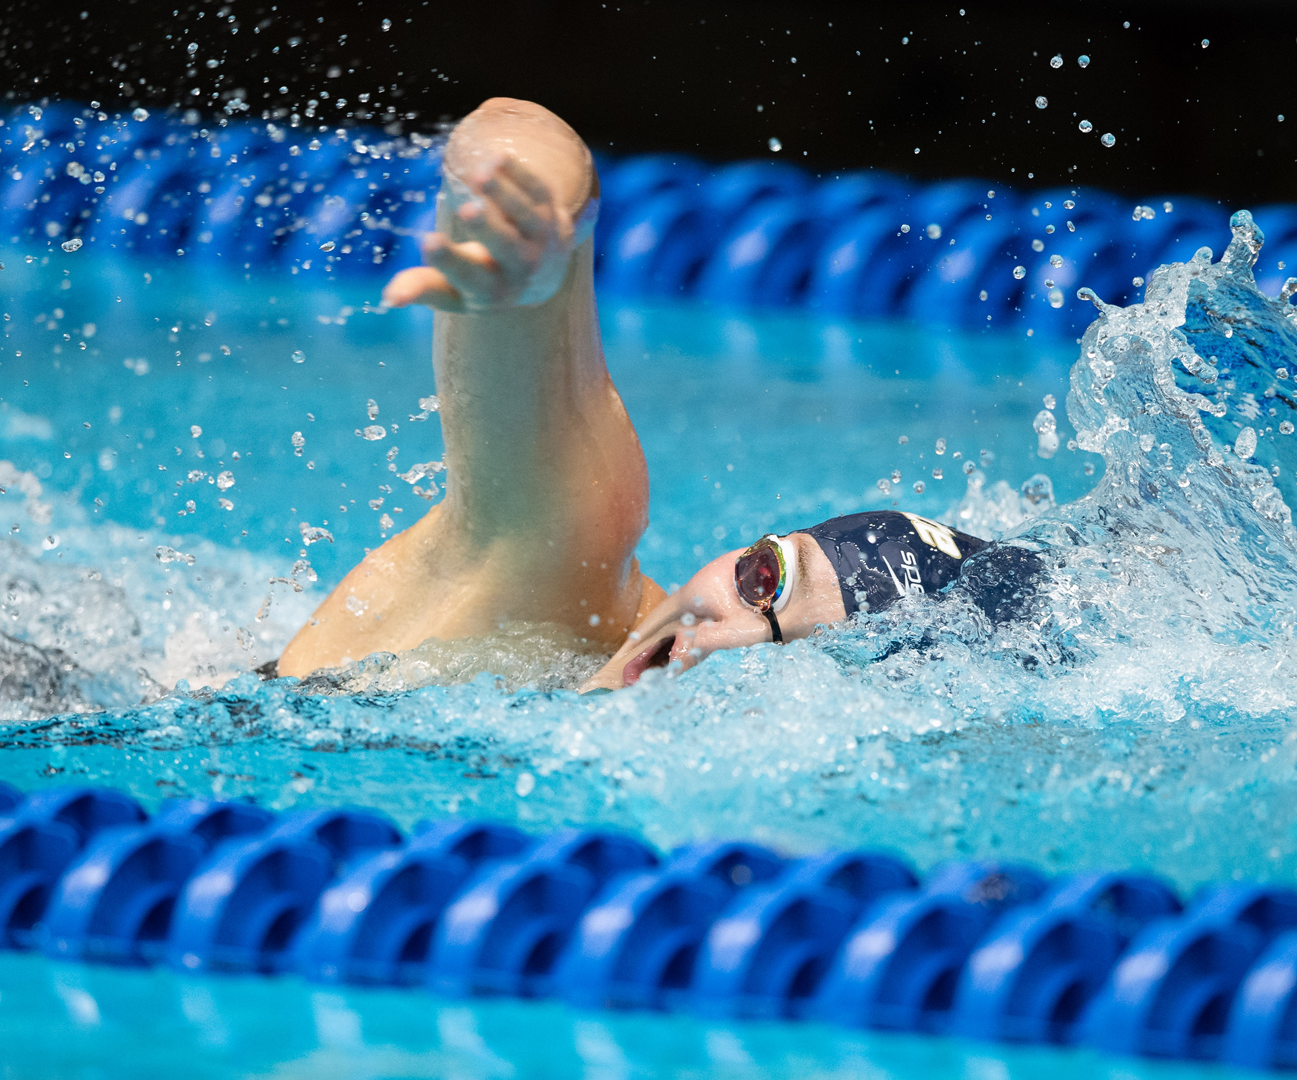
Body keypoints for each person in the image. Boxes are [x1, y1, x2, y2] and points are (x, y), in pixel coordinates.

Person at [276, 98, 1029, 690]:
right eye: (763, 579)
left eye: (802, 664)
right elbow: (519, 123)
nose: (722, 634)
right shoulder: (555, 591)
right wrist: (543, 226)